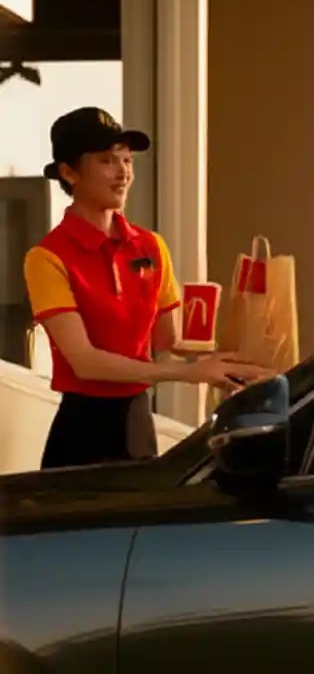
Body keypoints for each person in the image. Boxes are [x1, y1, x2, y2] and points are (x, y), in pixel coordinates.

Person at [24, 107, 273, 470]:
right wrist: (186, 374)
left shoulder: (150, 246)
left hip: (138, 423)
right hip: (82, 430)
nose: (123, 171)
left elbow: (168, 340)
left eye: (126, 159)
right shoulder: (47, 257)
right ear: (69, 172)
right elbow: (85, 361)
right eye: (107, 161)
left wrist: (237, 361)